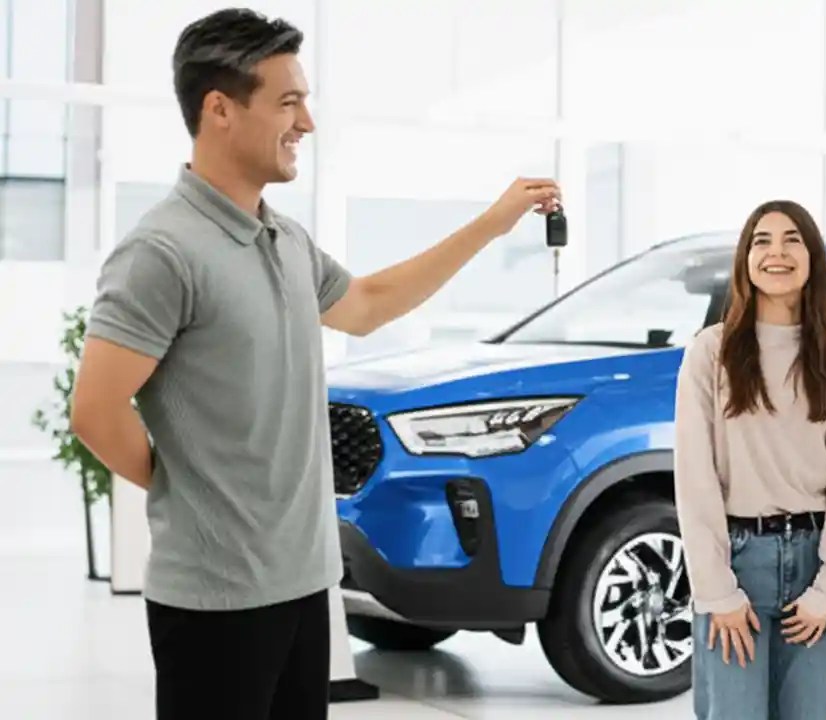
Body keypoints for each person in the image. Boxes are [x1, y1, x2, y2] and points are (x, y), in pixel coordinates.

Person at [68, 9, 559, 720]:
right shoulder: (162, 252)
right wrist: (193, 489)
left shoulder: (283, 238)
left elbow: (366, 302)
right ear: (220, 110)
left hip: (303, 583)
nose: (308, 122)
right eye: (288, 101)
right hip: (217, 600)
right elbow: (94, 410)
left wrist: (492, 222)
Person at [674, 199, 826, 719]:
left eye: (791, 240)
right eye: (762, 240)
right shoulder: (709, 353)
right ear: (744, 259)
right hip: (737, 564)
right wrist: (718, 592)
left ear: (812, 261)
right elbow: (695, 479)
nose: (776, 252)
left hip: (812, 564)